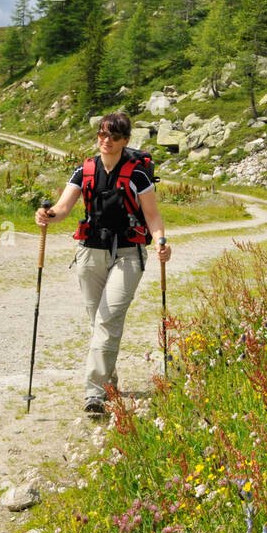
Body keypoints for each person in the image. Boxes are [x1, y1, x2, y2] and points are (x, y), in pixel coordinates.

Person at [34, 112, 171, 414]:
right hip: (89, 251)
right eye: (102, 134)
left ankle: (94, 392)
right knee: (96, 320)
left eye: (114, 136)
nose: (106, 141)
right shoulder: (84, 170)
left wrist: (161, 241)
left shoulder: (138, 175)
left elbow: (152, 216)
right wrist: (47, 215)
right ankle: (109, 380)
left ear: (125, 141)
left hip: (128, 253)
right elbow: (64, 207)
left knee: (107, 319)